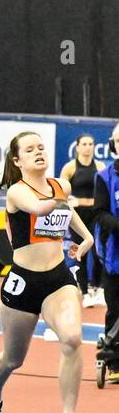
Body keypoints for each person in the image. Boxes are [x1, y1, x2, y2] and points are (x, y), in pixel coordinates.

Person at [0, 132, 93, 413]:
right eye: (29, 150)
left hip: (58, 278)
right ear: (18, 161)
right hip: (23, 283)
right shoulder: (17, 192)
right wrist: (61, 199)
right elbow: (40, 207)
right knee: (13, 359)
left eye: (41, 147)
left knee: (72, 338)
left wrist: (86, 237)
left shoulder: (61, 186)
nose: (38, 153)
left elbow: (65, 211)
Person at [60, 134, 104, 307]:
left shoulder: (100, 167)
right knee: (81, 253)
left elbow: (104, 194)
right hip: (77, 217)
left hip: (95, 215)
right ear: (77, 147)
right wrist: (70, 201)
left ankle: (97, 287)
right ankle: (84, 291)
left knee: (98, 251)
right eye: (84, 144)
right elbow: (61, 193)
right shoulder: (69, 168)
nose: (88, 147)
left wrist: (87, 202)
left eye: (91, 144)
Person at [92, 122, 119, 382]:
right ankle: (114, 362)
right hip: (115, 256)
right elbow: (99, 212)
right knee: (114, 308)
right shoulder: (104, 177)